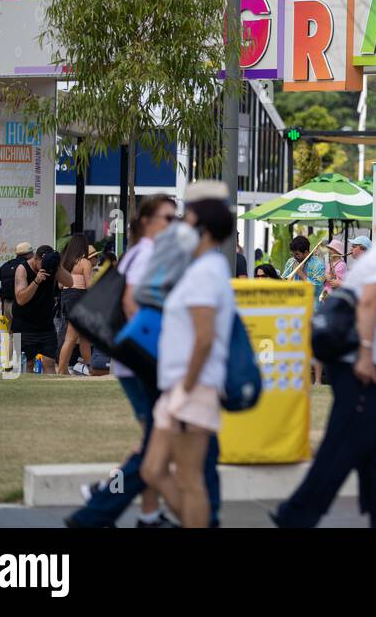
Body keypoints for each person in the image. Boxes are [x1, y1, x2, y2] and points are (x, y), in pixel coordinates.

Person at [274, 204, 376, 528]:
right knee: (340, 450)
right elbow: (370, 302)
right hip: (363, 372)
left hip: (374, 374)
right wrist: (365, 353)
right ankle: (296, 515)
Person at [66, 193, 189, 529]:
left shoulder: (142, 251)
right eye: (168, 218)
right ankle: (100, 502)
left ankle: (145, 513)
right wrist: (155, 351)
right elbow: (132, 303)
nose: (173, 225)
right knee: (154, 447)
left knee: (153, 442)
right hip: (142, 363)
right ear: (147, 222)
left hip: (136, 361)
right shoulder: (148, 252)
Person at [141, 189, 237, 528]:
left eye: (190, 221)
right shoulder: (200, 269)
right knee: (151, 469)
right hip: (179, 388)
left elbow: (204, 338)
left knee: (190, 479)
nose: (183, 227)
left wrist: (185, 387)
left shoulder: (206, 273)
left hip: (192, 388)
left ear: (206, 230)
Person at [12, 245, 67, 373]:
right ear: (35, 259)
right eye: (43, 265)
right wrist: (36, 281)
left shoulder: (51, 267)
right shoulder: (22, 269)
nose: (45, 268)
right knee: (28, 364)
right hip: (24, 325)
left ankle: (52, 392)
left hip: (46, 325)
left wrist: (58, 267)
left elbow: (69, 283)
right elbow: (21, 299)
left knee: (50, 362)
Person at [55, 233, 95, 375]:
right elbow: (89, 285)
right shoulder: (85, 262)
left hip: (66, 297)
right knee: (71, 337)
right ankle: (61, 369)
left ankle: (91, 367)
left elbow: (60, 285)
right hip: (79, 298)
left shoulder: (65, 262)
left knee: (84, 337)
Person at [0, 241, 32, 323]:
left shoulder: (7, 265)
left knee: (9, 333)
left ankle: (12, 336)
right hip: (19, 306)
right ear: (28, 254)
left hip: (6, 305)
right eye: (32, 253)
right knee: (19, 332)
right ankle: (17, 336)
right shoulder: (26, 266)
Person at [282, 235, 327, 307]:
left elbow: (317, 289)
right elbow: (284, 281)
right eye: (293, 254)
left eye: (297, 254)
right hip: (292, 304)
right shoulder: (290, 262)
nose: (294, 257)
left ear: (306, 253)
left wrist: (301, 274)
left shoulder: (319, 265)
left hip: (311, 306)